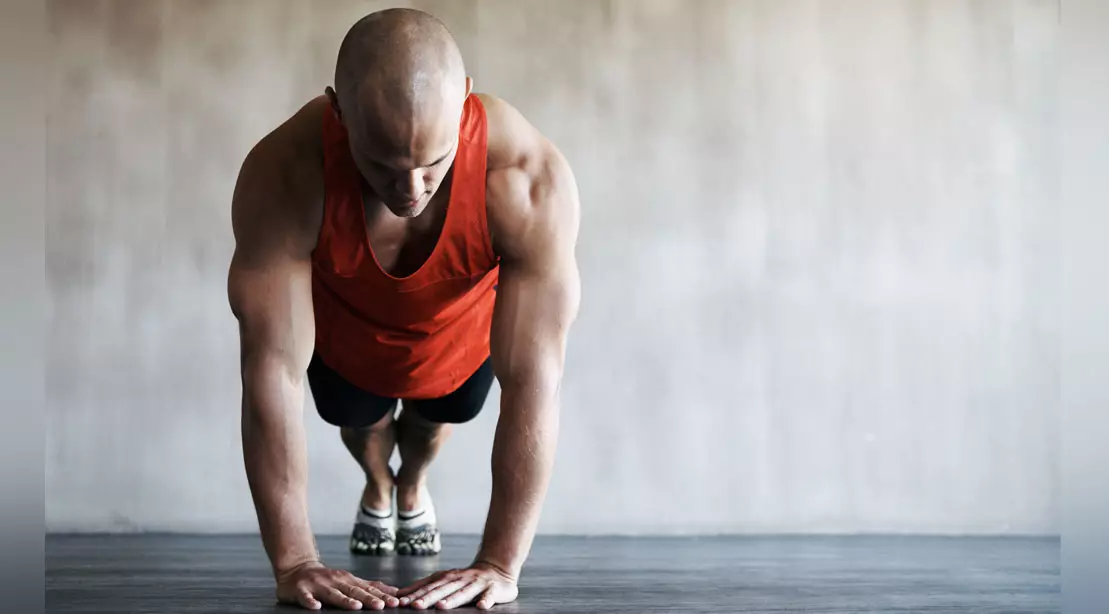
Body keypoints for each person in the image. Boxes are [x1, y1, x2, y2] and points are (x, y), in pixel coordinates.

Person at [226, 8, 580, 611]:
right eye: (385, 167)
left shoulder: (524, 178)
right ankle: (378, 481)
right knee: (361, 425)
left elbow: (535, 380)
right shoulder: (286, 175)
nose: (411, 190)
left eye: (433, 165)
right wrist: (295, 563)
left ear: (465, 104)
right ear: (338, 115)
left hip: (459, 344)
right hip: (345, 345)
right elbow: (272, 373)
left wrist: (500, 563)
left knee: (431, 426)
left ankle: (409, 483)